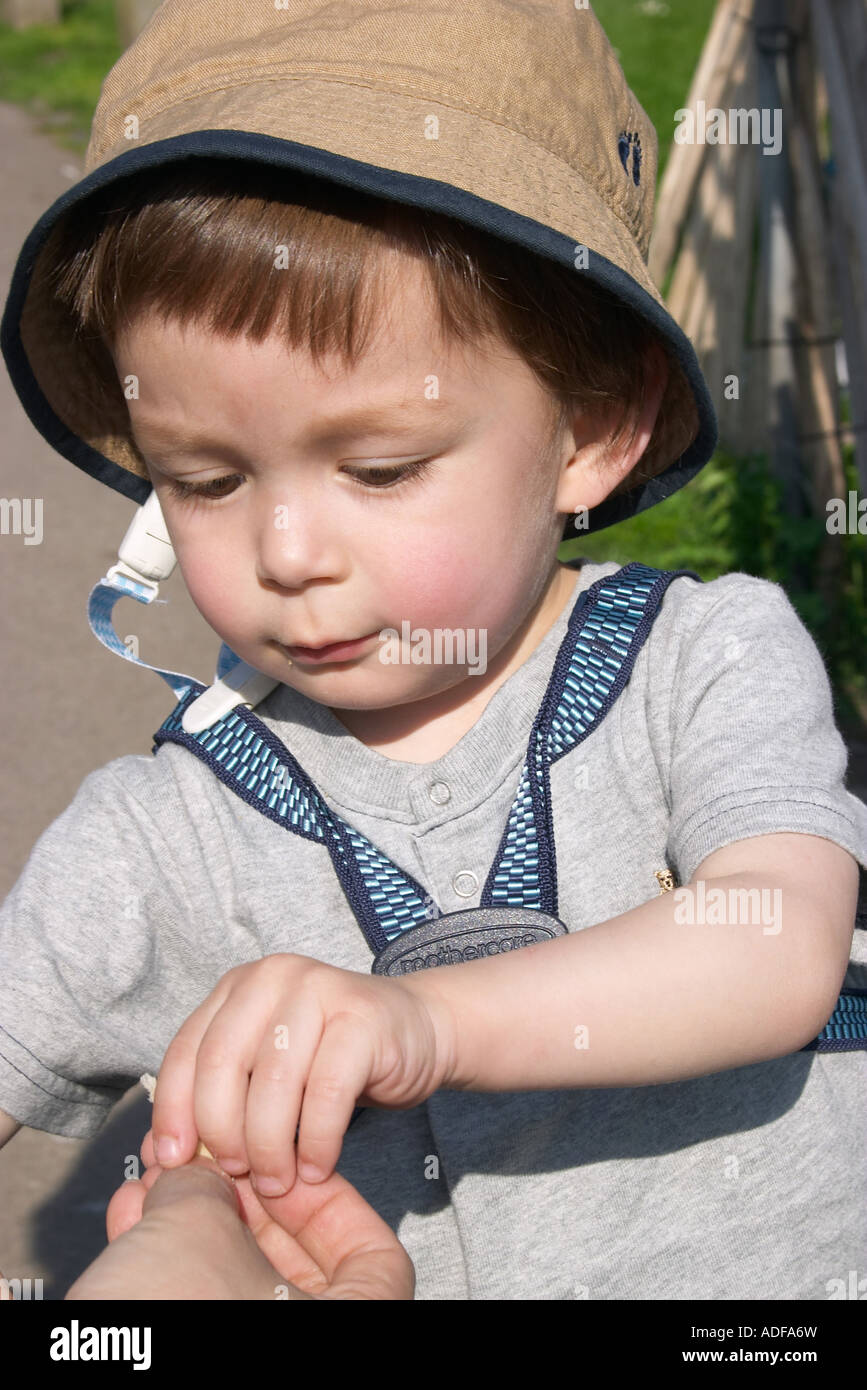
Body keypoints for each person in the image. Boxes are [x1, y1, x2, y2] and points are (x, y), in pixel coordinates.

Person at [1, 0, 865, 1302]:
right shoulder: (165, 832)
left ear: (594, 423)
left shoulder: (705, 658)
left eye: (380, 466)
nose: (289, 551)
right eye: (209, 479)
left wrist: (425, 1020)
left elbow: (778, 941)